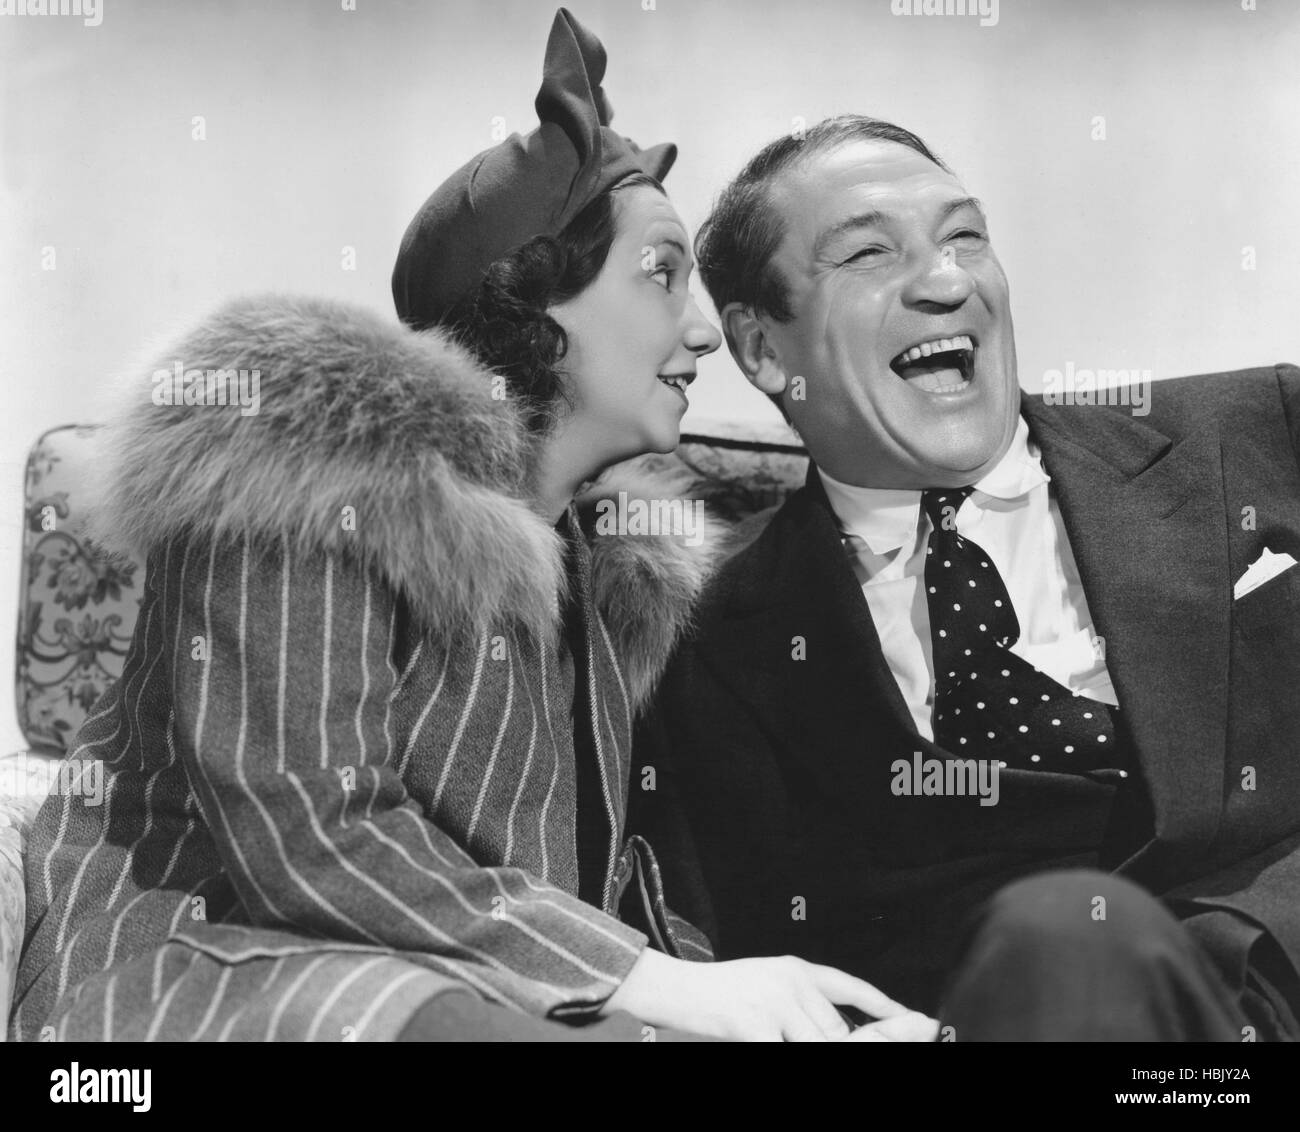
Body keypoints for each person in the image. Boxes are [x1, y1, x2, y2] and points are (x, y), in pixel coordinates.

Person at [10, 12, 926, 1044]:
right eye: (662, 273)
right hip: (197, 981)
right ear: (531, 305)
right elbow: (309, 834)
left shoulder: (605, 578)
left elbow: (605, 900)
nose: (706, 328)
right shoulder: (303, 474)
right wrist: (645, 983)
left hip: (489, 998)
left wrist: (762, 1013)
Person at [633, 113, 1300, 1041]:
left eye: (964, 236)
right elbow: (737, 955)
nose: (947, 281)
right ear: (761, 349)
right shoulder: (708, 656)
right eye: (868, 253)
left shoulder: (1262, 431)